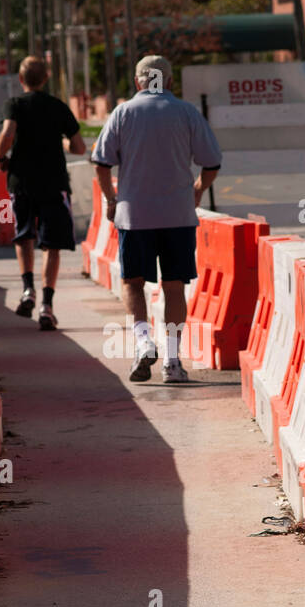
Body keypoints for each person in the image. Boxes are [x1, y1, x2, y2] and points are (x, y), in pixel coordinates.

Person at [90, 55, 222, 383]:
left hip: (135, 216)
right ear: (170, 81)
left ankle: (144, 340)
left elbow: (101, 163)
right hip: (178, 215)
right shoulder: (187, 113)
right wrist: (197, 189)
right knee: (174, 287)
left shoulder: (123, 113)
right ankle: (173, 363)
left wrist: (111, 199)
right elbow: (212, 162)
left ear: (138, 82)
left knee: (133, 284)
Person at [0, 56, 87, 330]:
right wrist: (63, 143)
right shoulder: (58, 107)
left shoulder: (14, 104)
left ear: (21, 80)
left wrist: (1, 156)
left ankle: (27, 290)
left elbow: (8, 132)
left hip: (21, 183)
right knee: (52, 244)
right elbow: (80, 147)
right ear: (46, 79)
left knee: (24, 236)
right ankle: (47, 306)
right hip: (54, 183)